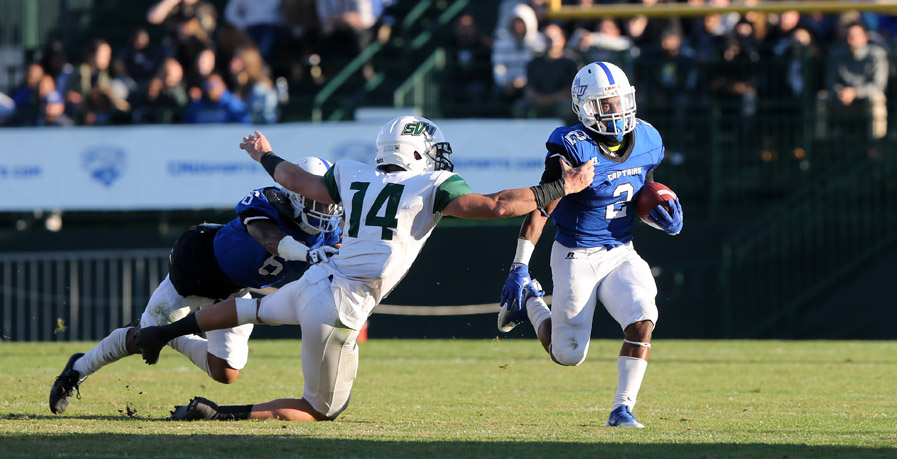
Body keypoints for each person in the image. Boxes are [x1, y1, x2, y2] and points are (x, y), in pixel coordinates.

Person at [133, 115, 594, 422]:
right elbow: (496, 205)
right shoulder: (432, 183)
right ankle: (221, 413)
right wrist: (562, 186)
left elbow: (294, 180)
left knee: (251, 311)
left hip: (318, 278)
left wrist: (262, 155)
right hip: (342, 305)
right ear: (416, 154)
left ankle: (163, 332)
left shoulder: (354, 173)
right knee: (321, 409)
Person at [48, 157, 342, 415]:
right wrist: (307, 253)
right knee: (142, 340)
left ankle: (171, 335)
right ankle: (78, 369)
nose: (324, 209)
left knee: (225, 372)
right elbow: (268, 239)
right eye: (316, 200)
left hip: (234, 288)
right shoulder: (269, 200)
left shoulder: (330, 232)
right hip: (197, 266)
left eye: (327, 200)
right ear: (294, 194)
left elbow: (346, 252)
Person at [496, 61, 683, 429]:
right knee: (567, 355)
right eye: (606, 104)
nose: (616, 111)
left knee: (643, 317)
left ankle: (622, 409)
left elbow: (643, 187)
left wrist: (662, 211)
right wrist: (520, 266)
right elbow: (541, 206)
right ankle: (532, 301)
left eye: (619, 101)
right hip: (575, 254)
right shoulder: (572, 147)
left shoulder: (647, 139)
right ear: (584, 108)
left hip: (620, 251)